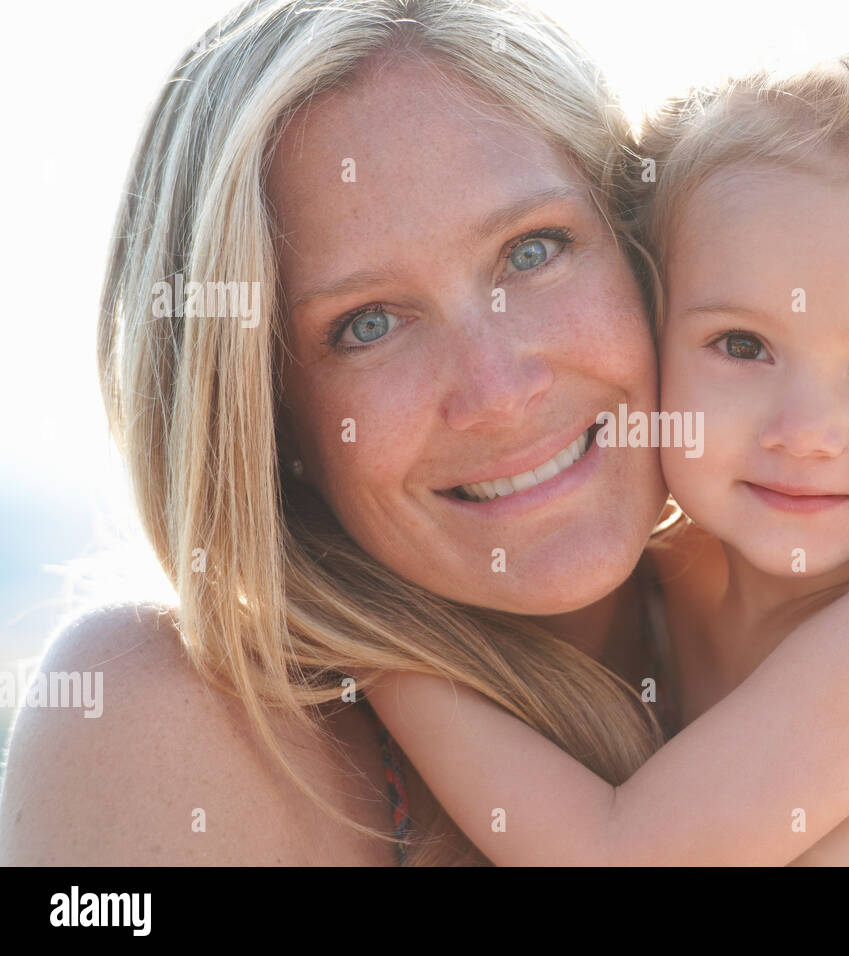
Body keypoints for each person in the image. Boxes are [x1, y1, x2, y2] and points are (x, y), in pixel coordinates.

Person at [366, 48, 849, 865]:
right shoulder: (665, 580)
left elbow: (612, 855)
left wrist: (369, 645)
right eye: (742, 344)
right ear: (649, 329)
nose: (802, 430)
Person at [0, 0, 692, 866]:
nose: (498, 390)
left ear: (641, 246)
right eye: (369, 324)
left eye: (533, 250)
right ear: (264, 421)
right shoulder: (158, 717)